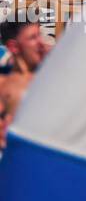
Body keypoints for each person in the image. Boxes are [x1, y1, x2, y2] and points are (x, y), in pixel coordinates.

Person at [0, 20, 50, 150]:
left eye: (40, 35)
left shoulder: (51, 74)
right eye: (33, 38)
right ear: (14, 47)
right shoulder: (3, 82)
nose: (41, 42)